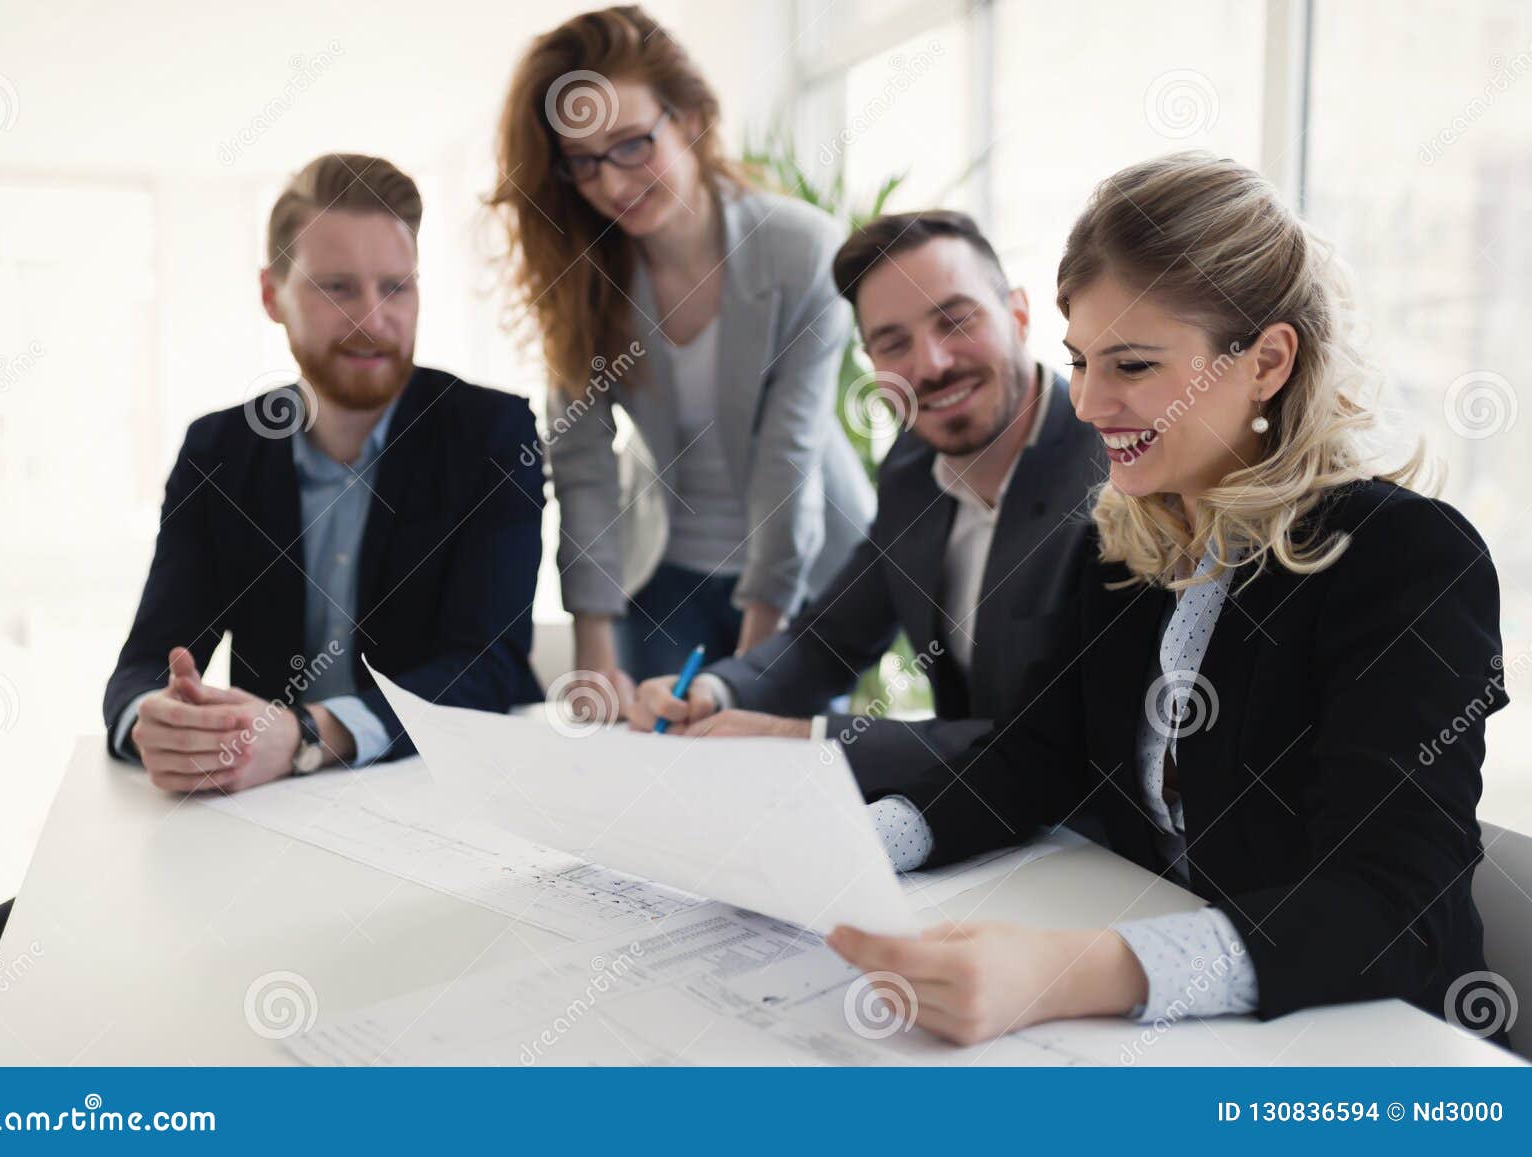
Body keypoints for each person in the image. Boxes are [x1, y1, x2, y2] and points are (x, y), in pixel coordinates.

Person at [828, 152, 1508, 1047]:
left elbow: (1385, 906)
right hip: (1186, 1032)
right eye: (1078, 362)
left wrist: (1072, 971)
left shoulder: (1408, 558)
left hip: (1369, 1044)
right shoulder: (1127, 547)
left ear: (1266, 361)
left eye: (1134, 365)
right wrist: (859, 848)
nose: (1088, 402)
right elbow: (1033, 754)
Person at [0, 152, 545, 1015]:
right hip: (257, 812)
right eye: (338, 286)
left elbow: (485, 667)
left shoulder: (490, 431)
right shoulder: (220, 449)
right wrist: (155, 719)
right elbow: (145, 661)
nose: (373, 318)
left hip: (426, 810)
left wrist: (306, 733)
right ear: (273, 294)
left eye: (397, 287)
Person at [627, 211, 1105, 809]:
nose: (931, 365)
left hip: (1091, 843)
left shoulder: (1109, 472)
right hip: (967, 827)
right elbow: (827, 641)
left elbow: (1044, 747)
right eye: (893, 343)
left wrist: (805, 740)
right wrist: (717, 691)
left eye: (955, 321)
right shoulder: (912, 468)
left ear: (1018, 314)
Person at [490, 5, 873, 714]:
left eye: (633, 144)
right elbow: (582, 463)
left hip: (808, 563)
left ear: (691, 118)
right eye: (582, 162)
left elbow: (790, 453)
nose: (610, 183)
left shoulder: (802, 248)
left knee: (782, 766)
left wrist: (755, 664)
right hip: (667, 567)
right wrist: (594, 640)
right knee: (652, 761)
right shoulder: (584, 273)